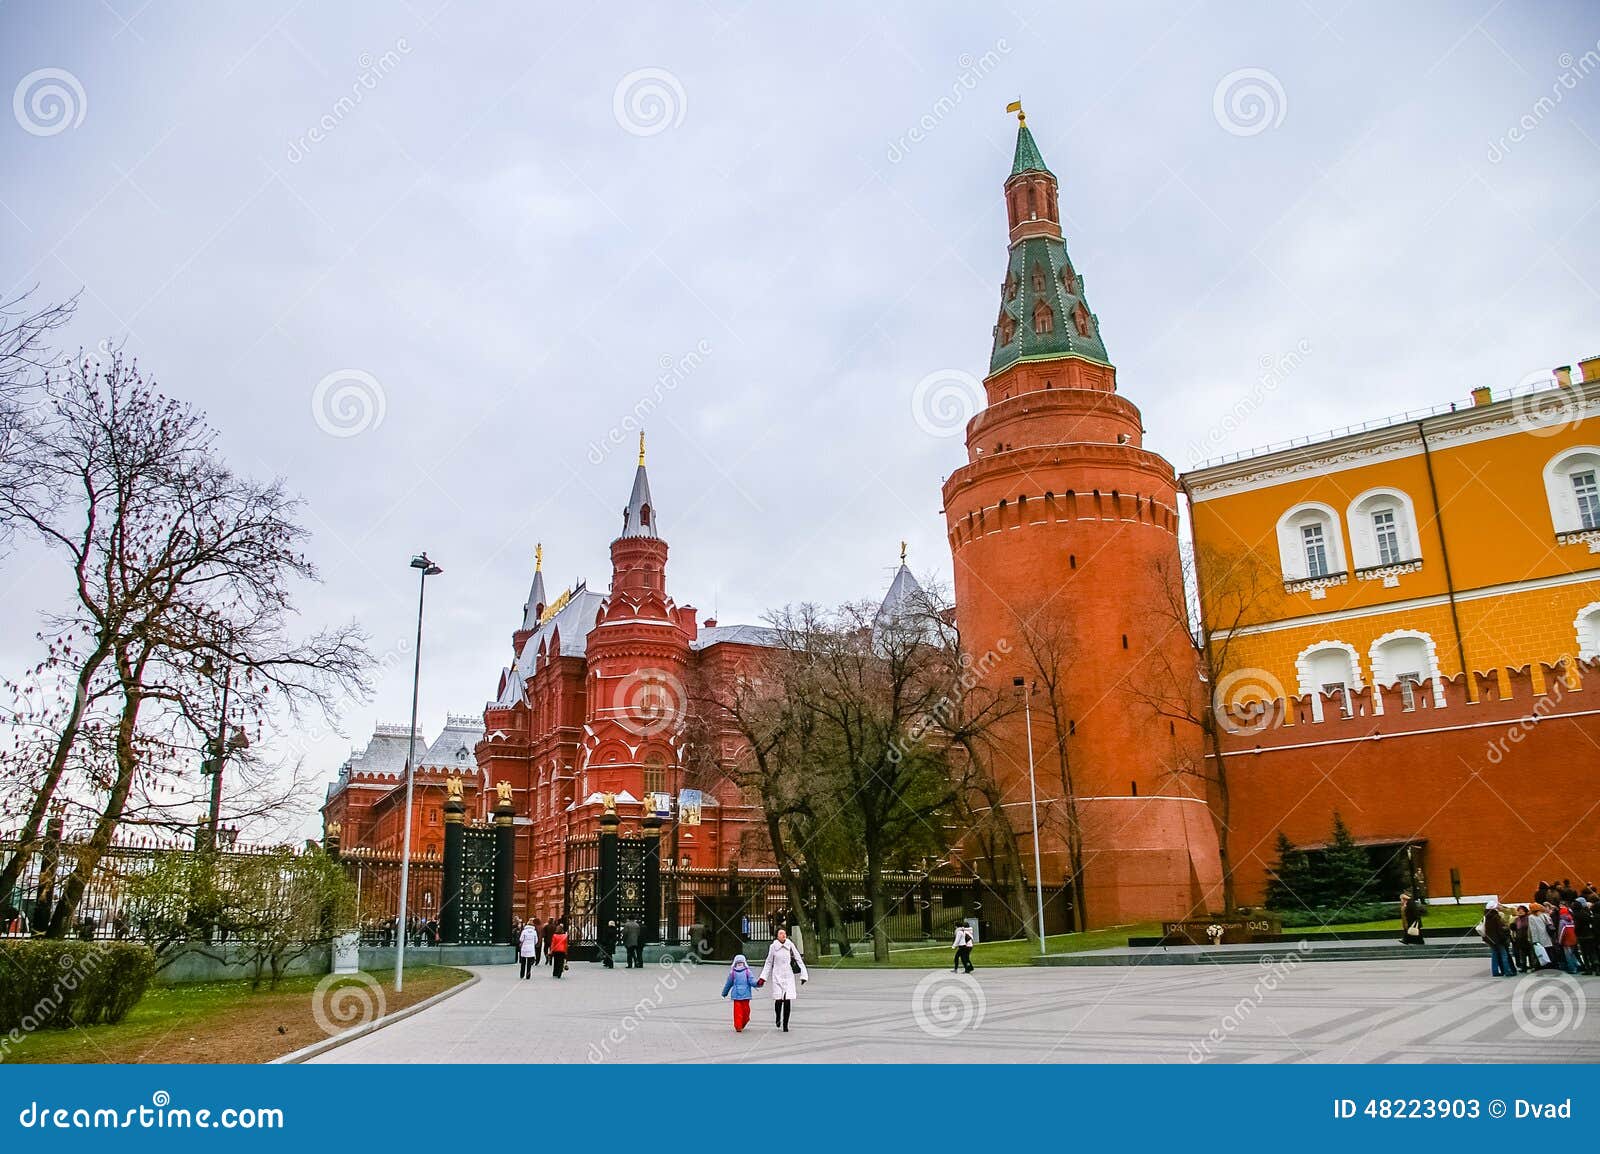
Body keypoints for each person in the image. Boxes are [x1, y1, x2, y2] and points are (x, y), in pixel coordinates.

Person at [756, 927, 808, 1032]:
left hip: (788, 975)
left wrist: (804, 975)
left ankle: (785, 1024)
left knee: (788, 999)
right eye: (781, 933)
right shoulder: (773, 947)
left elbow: (798, 959)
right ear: (777, 936)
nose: (783, 935)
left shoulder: (790, 945)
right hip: (777, 975)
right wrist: (763, 978)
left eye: (784, 933)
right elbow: (769, 962)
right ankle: (778, 1017)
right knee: (779, 999)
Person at [721, 954, 758, 1032]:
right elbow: (728, 984)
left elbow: (752, 981)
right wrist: (724, 993)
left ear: (744, 963)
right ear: (735, 963)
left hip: (745, 996)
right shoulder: (733, 973)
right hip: (737, 996)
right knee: (738, 1012)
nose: (739, 964)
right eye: (738, 963)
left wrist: (758, 983)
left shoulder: (748, 972)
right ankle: (738, 1026)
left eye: (741, 963)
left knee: (746, 1011)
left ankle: (742, 1023)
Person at [1482, 901, 1513, 977]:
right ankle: (1507, 971)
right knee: (1504, 954)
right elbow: (1500, 929)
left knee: (1494, 955)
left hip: (1490, 939)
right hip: (1498, 939)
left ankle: (1495, 971)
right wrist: (1504, 936)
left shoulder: (1486, 916)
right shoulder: (1496, 916)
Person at [1528, 901, 1555, 968]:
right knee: (1549, 954)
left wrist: (1534, 941)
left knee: (1542, 955)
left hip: (1539, 939)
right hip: (1548, 938)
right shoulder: (1545, 915)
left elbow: (1533, 930)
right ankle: (1551, 967)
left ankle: (1543, 968)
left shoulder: (1531, 917)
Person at [1511, 905, 1535, 973]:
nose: (1520, 912)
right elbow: (1514, 928)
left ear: (1525, 911)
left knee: (1531, 954)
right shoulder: (1517, 919)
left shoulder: (1529, 918)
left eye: (1522, 911)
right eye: (1519, 911)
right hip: (1519, 939)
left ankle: (1532, 966)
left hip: (1528, 938)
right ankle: (1523, 967)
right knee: (1522, 954)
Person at [1557, 906, 1581, 974]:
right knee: (1572, 954)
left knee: (1568, 955)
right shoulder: (1571, 920)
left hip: (1566, 941)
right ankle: (1577, 965)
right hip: (1573, 939)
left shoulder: (1562, 921)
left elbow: (1561, 932)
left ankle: (1572, 968)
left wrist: (1559, 941)